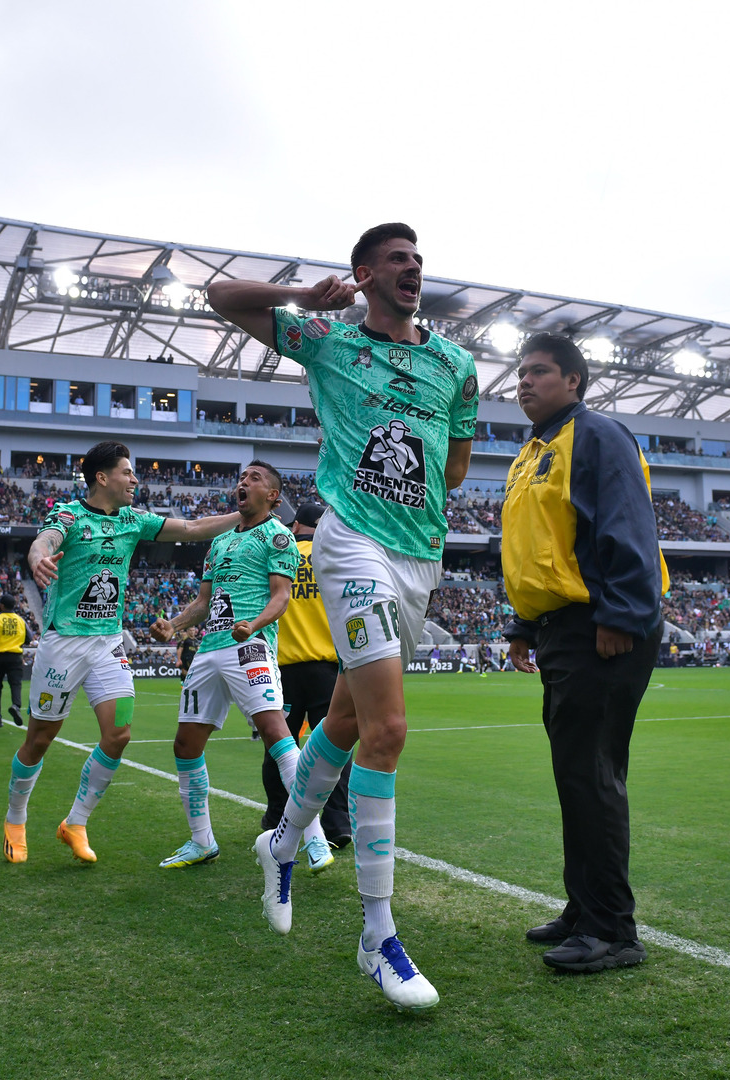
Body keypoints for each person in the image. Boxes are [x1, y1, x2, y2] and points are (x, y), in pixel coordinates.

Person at [207, 222, 476, 1010]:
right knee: (389, 729)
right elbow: (220, 296)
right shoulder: (326, 337)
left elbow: (455, 466)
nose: (413, 268)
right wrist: (300, 294)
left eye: (418, 260)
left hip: (418, 557)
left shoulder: (455, 364)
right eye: (397, 259)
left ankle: (284, 842)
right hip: (351, 541)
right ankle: (378, 936)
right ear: (363, 275)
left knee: (351, 720)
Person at [500, 333, 667, 974]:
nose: (524, 382)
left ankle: (612, 930)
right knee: (575, 775)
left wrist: (620, 614)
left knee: (592, 774)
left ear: (574, 381)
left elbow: (626, 522)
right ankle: (584, 906)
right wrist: (523, 624)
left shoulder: (597, 435)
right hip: (562, 627)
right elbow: (537, 545)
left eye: (539, 372)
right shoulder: (532, 453)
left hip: (602, 623)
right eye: (520, 373)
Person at [4, 440, 239, 866]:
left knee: (119, 734)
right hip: (64, 643)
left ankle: (75, 822)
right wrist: (38, 558)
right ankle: (15, 819)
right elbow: (45, 540)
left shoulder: (134, 520)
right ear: (102, 477)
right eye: (128, 472)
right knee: (40, 739)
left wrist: (247, 515)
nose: (135, 479)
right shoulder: (69, 515)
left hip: (109, 642)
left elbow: (191, 529)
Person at [147, 462, 331, 872]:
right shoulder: (220, 542)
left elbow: (281, 597)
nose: (243, 482)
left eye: (255, 478)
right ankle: (201, 841)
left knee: (276, 734)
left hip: (250, 647)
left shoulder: (279, 536)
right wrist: (173, 627)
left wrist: (256, 624)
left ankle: (315, 838)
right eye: (242, 477)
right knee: (185, 745)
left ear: (274, 497)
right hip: (210, 650)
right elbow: (202, 603)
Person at [263, 501, 353, 851]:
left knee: (280, 746)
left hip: (282, 668)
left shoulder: (279, 555)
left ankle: (275, 819)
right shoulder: (334, 553)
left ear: (296, 524)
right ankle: (337, 824)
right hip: (328, 669)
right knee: (334, 749)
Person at [0, 595, 30, 728]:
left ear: (2, 605)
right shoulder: (20, 620)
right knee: (16, 684)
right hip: (15, 656)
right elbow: (28, 637)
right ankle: (16, 706)